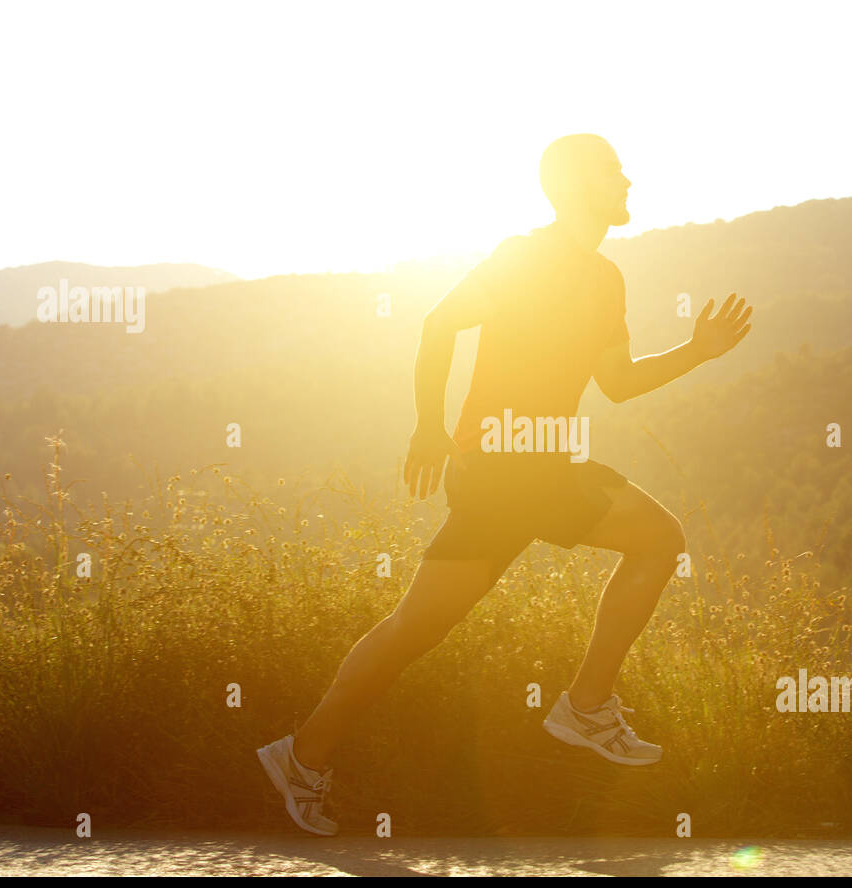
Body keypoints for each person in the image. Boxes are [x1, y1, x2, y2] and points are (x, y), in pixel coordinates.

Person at [258, 133, 752, 835]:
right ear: (579, 184)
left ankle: (303, 756)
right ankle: (583, 706)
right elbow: (440, 321)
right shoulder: (525, 256)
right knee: (656, 541)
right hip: (501, 467)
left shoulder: (605, 277)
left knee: (413, 629)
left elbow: (617, 379)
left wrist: (696, 351)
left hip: (540, 467)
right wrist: (429, 425)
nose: (628, 181)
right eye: (614, 171)